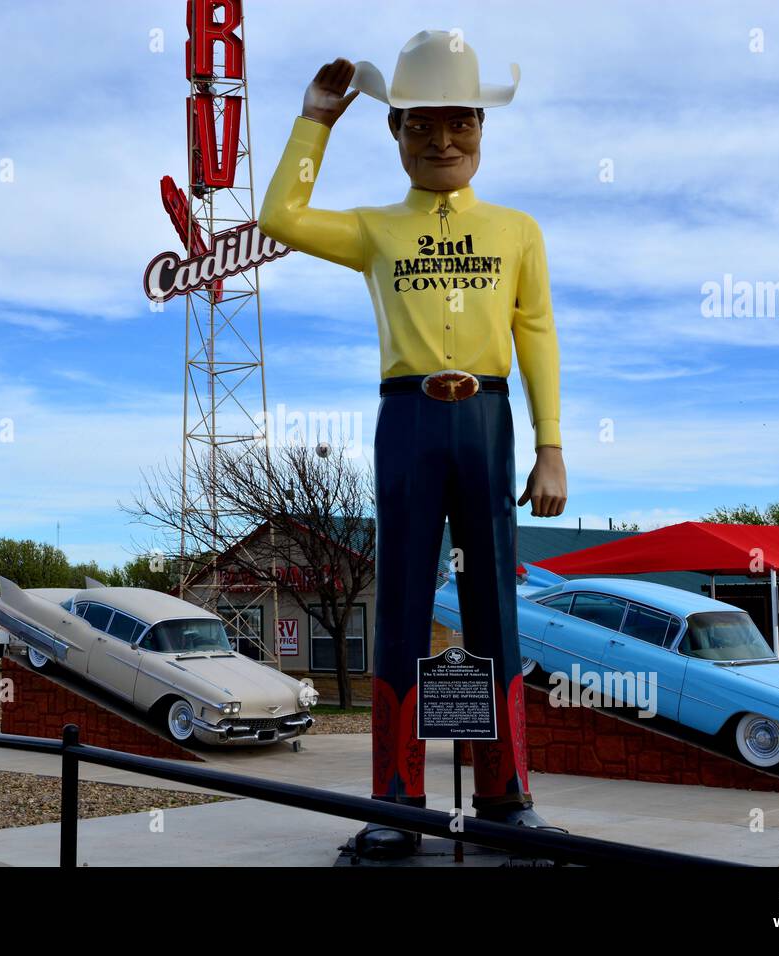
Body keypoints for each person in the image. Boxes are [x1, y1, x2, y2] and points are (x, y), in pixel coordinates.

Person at [258, 31, 567, 860]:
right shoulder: (374, 228)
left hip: (488, 420)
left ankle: (507, 796)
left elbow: (535, 329)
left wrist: (551, 445)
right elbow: (277, 217)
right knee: (397, 599)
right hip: (407, 416)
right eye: (420, 127)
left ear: (482, 127)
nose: (441, 143)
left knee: (494, 600)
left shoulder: (516, 230)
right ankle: (395, 801)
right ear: (393, 133)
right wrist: (314, 123)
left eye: (458, 123)